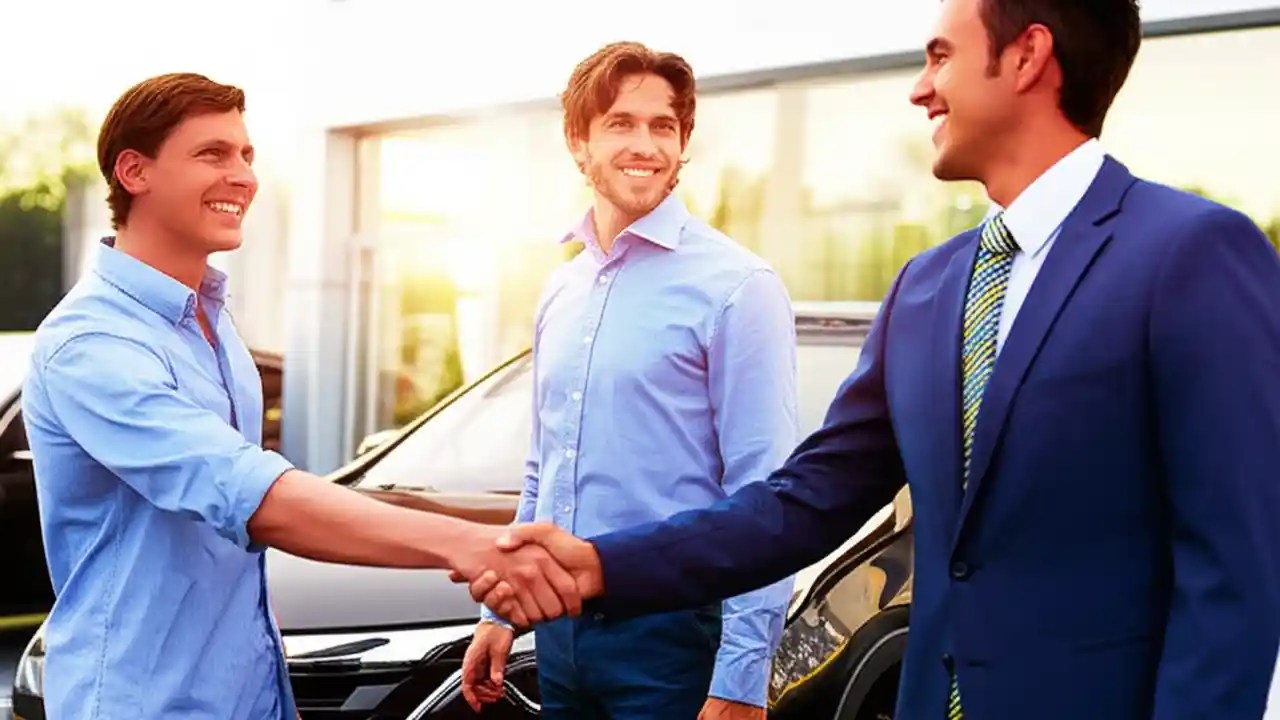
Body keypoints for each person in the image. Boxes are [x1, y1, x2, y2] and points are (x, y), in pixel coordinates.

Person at [466, 1, 1280, 718]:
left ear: (1028, 56)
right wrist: (602, 566)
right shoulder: (926, 287)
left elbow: (1235, 574)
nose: (921, 89)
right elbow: (803, 499)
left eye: (941, 56)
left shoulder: (1192, 253)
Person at [21, 73, 579, 720]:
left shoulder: (211, 318)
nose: (242, 177)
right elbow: (251, 494)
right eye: (212, 154)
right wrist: (468, 544)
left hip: (251, 694)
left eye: (246, 155)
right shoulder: (92, 343)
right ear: (134, 171)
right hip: (142, 703)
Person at [458, 42, 799, 720]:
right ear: (577, 142)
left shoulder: (738, 287)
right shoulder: (562, 289)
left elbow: (765, 494)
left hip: (674, 636)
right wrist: (499, 611)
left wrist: (740, 677)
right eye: (620, 123)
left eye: (662, 126)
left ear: (682, 143)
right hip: (559, 633)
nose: (645, 145)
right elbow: (544, 470)